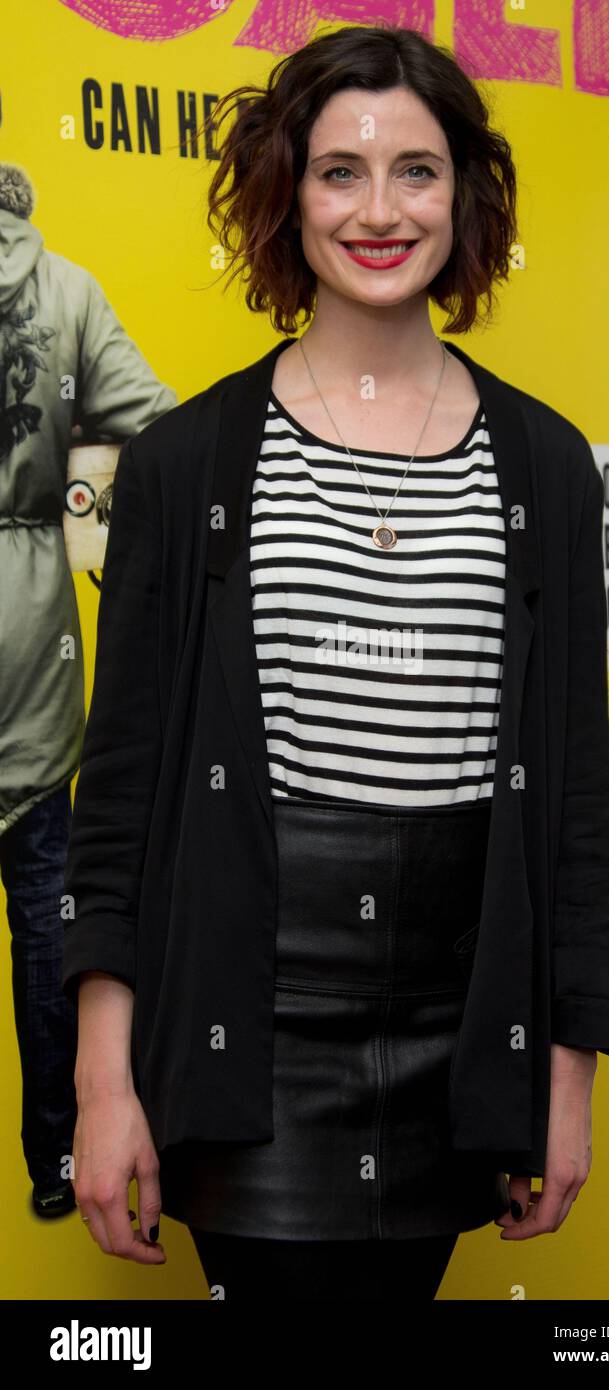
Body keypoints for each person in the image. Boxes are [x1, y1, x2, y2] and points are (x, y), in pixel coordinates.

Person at [62, 25, 609, 1301]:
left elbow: (577, 803)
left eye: (417, 170)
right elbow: (119, 811)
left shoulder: (545, 466)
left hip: (465, 1020)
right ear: (287, 194)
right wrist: (103, 1085)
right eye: (341, 171)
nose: (381, 209)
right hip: (244, 1023)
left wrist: (568, 1070)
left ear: (467, 197)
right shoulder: (185, 464)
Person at [0, 162, 177, 1220]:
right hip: (30, 644)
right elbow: (157, 432)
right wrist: (76, 485)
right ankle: (62, 1159)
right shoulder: (61, 286)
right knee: (45, 899)